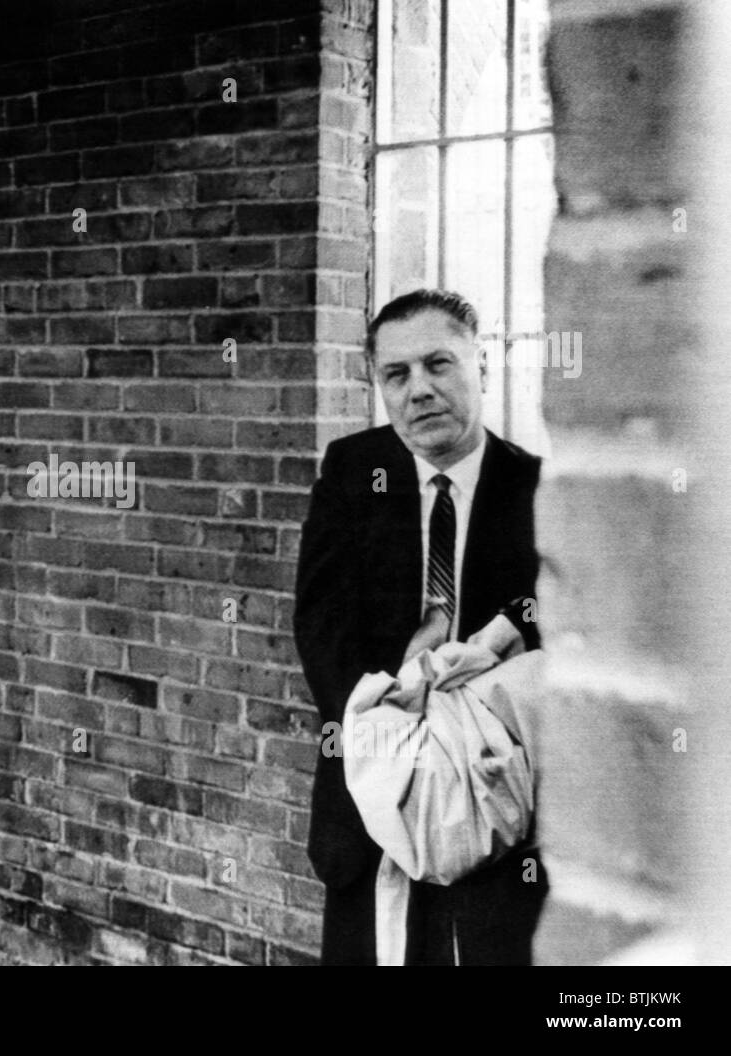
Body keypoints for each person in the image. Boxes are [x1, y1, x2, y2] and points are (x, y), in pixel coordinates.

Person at [293, 288, 548, 965]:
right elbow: (320, 627)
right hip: (375, 793)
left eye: (439, 364)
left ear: (482, 367)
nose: (419, 391)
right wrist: (386, 731)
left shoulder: (537, 491)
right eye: (395, 374)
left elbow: (547, 639)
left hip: (492, 804)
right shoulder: (354, 473)